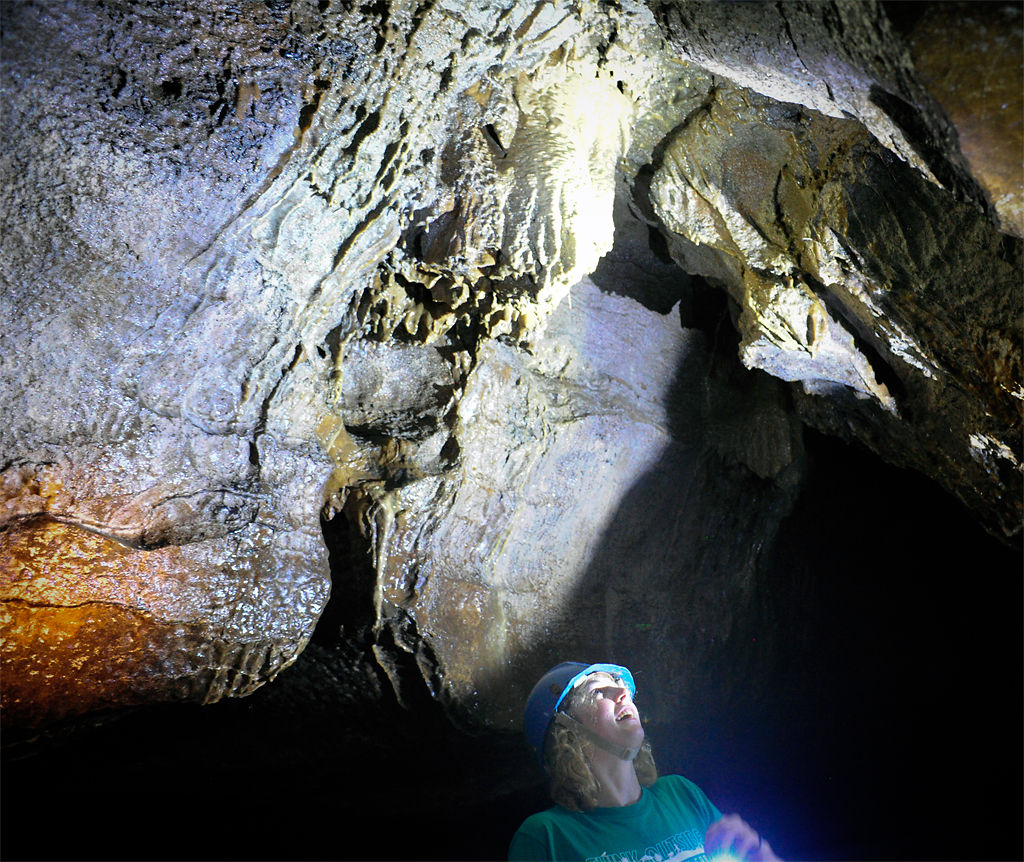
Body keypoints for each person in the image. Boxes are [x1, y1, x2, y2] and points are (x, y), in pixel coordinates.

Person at [508, 662, 780, 862]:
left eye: (621, 686)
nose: (623, 693)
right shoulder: (546, 836)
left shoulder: (681, 794)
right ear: (565, 734)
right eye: (598, 692)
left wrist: (762, 855)